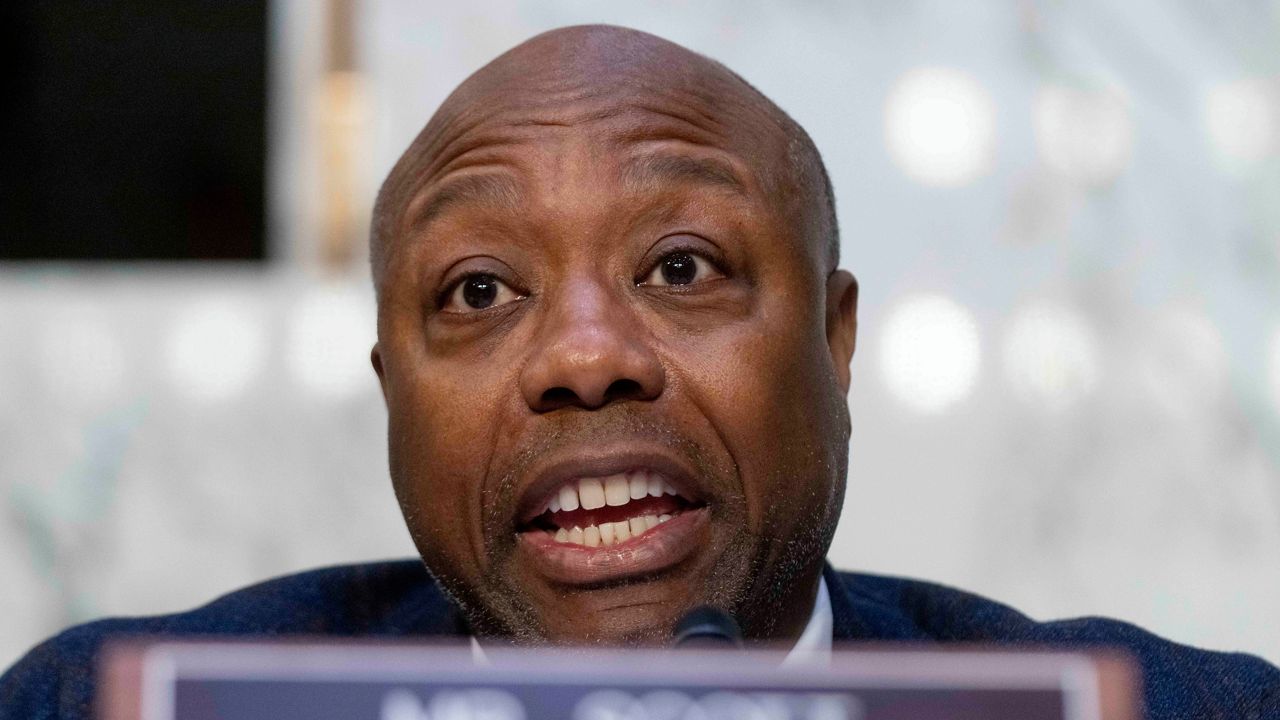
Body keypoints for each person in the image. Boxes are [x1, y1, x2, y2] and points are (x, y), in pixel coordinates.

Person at [2, 24, 1277, 720]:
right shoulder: (101, 710)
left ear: (833, 345)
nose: (581, 359)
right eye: (479, 292)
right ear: (393, 399)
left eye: (678, 267)